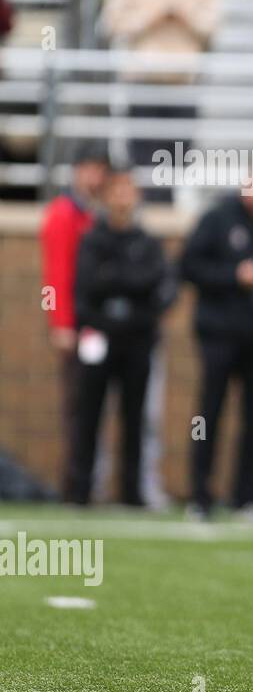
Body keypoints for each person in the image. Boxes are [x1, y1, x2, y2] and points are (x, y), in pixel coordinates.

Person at [180, 163, 253, 518]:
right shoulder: (218, 218)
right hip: (220, 333)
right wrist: (235, 276)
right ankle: (200, 494)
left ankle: (250, 496)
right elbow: (189, 266)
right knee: (209, 414)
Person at [68, 170, 170, 506]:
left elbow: (156, 288)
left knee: (136, 417)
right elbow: (86, 290)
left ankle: (131, 492)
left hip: (138, 340)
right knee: (88, 415)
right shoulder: (93, 239)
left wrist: (116, 280)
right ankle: (80, 489)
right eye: (117, 190)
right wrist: (124, 285)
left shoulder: (148, 242)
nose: (123, 198)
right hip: (99, 337)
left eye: (129, 190)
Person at [103, 0, 220, 167]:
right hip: (144, 77)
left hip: (183, 78)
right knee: (142, 155)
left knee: (178, 156)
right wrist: (150, 18)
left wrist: (185, 17)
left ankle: (169, 206)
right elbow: (114, 21)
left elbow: (213, 22)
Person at [40, 151, 107, 501]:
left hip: (98, 325)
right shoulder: (65, 214)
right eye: (90, 169)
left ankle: (91, 483)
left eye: (100, 171)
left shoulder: (98, 214)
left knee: (93, 408)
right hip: (76, 326)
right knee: (77, 407)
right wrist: (60, 323)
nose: (95, 178)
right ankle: (75, 485)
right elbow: (55, 274)